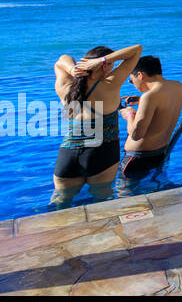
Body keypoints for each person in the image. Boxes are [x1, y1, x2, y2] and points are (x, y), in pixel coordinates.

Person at [51, 43, 141, 206]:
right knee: (102, 201)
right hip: (101, 152)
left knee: (61, 202)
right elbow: (136, 50)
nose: (113, 69)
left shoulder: (66, 87)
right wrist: (104, 59)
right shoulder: (110, 85)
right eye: (112, 65)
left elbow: (60, 61)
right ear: (103, 66)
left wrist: (72, 70)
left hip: (68, 154)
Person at [119, 56, 182, 180]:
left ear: (140, 75)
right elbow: (165, 108)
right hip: (161, 153)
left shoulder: (148, 97)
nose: (133, 84)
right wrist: (140, 101)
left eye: (131, 80)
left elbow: (136, 134)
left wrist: (129, 114)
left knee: (125, 192)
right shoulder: (178, 87)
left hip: (137, 158)